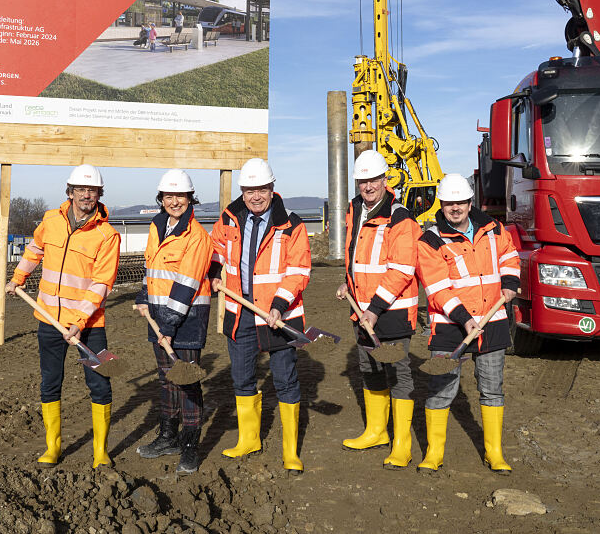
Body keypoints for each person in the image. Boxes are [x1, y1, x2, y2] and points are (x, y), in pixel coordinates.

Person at [5, 164, 121, 469]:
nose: (86, 195)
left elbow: (101, 284)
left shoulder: (107, 235)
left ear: (99, 194)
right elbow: (34, 250)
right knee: (50, 382)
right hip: (48, 319)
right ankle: (52, 447)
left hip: (91, 325)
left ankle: (100, 452)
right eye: (80, 189)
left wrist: (79, 322)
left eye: (92, 190)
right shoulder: (50, 220)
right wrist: (18, 277)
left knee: (100, 383)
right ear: (70, 191)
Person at [209, 158, 312, 475]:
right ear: (242, 190)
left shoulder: (292, 225)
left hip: (278, 316)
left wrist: (279, 305)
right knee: (242, 378)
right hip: (240, 313)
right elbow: (215, 248)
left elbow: (299, 271)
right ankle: (249, 439)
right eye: (250, 190)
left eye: (262, 189)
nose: (256, 196)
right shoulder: (229, 218)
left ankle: (290, 450)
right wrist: (214, 273)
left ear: (272, 188)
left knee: (285, 380)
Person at [416, 173, 520, 473]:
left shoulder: (493, 228)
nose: (456, 208)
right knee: (441, 388)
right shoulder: (431, 240)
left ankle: (495, 454)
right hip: (450, 327)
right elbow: (436, 289)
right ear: (442, 204)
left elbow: (510, 256)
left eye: (461, 202)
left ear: (470, 202)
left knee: (492, 388)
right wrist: (464, 320)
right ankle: (434, 454)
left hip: (492, 321)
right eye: (450, 203)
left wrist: (511, 282)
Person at [334, 149, 421, 468]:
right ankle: (376, 431)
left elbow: (401, 269)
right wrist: (348, 281)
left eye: (373, 180)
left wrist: (375, 307)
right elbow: (356, 254)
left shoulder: (400, 217)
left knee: (398, 375)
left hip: (392, 311)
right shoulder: (355, 209)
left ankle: (402, 443)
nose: (368, 186)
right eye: (362, 181)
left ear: (385, 180)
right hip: (362, 309)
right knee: (369, 369)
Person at [134, 169, 214, 473]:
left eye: (180, 196)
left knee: (188, 382)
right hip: (159, 319)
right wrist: (144, 295)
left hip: (187, 321)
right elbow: (152, 267)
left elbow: (185, 286)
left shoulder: (197, 237)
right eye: (169, 196)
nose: (174, 201)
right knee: (167, 380)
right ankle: (168, 437)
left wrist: (167, 327)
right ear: (161, 198)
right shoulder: (157, 227)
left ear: (190, 198)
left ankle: (190, 446)